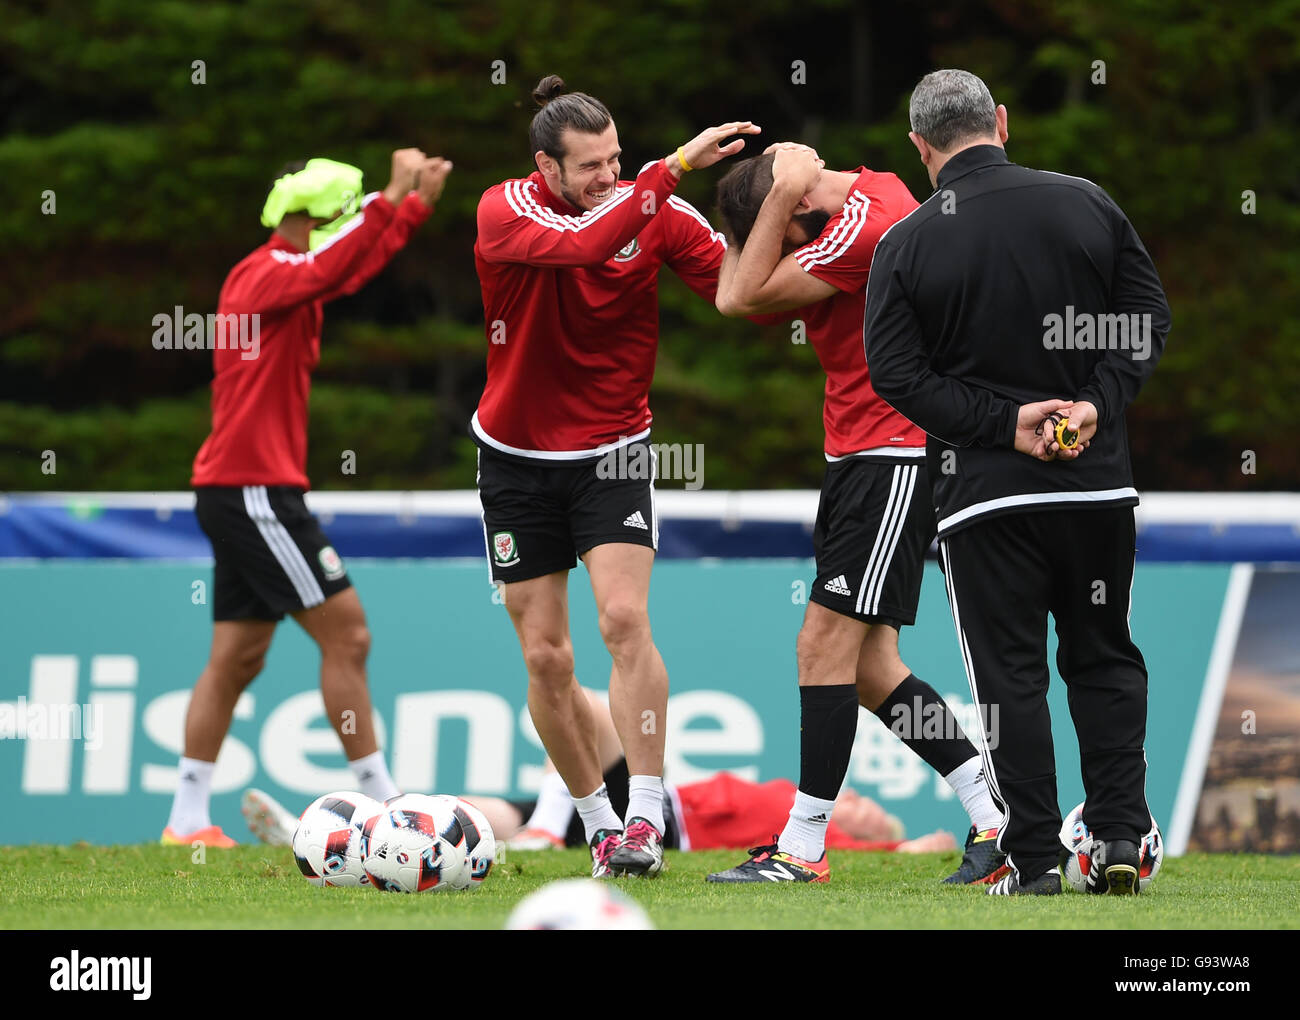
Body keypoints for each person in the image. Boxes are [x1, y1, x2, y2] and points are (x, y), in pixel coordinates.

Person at [863, 69, 1171, 895]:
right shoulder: (1085, 202)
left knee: (1011, 679)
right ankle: (1115, 838)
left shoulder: (907, 241)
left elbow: (893, 373)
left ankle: (1033, 858)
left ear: (919, 148)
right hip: (1096, 488)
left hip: (988, 496)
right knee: (1104, 658)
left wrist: (1004, 424)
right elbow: (1146, 320)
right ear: (1002, 120)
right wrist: (1097, 407)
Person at [471, 74, 759, 879]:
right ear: (545, 166)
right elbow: (582, 245)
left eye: (618, 160)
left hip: (615, 452)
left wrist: (824, 246)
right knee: (547, 660)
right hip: (516, 460)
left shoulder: (656, 208)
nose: (611, 176)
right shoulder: (506, 210)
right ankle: (598, 824)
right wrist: (669, 171)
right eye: (592, 166)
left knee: (625, 621)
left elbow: (741, 291)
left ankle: (646, 817)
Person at [701, 146, 1006, 885]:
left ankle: (802, 847)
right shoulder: (852, 204)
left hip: (895, 454)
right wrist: (759, 198)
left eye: (783, 226)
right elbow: (734, 286)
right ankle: (998, 816)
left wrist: (774, 197)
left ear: (802, 211)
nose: (778, 244)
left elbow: (738, 299)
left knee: (820, 646)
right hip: (859, 456)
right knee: (869, 669)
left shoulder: (869, 225)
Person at [163, 150, 453, 847]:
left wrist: (407, 210)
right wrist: (388, 196)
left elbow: (348, 266)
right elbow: (334, 265)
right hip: (254, 493)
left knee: (236, 658)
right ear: (316, 217)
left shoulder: (286, 275)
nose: (352, 225)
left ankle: (184, 821)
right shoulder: (268, 273)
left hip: (241, 491)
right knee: (348, 635)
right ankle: (384, 806)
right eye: (346, 214)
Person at [240, 687, 957, 858]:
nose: (853, 800)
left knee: (577, 702)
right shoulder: (800, 796)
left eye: (865, 807)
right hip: (654, 796)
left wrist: (908, 840)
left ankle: (557, 826)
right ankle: (349, 832)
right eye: (855, 798)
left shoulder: (847, 846)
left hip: (660, 825)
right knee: (471, 812)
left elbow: (933, 846)